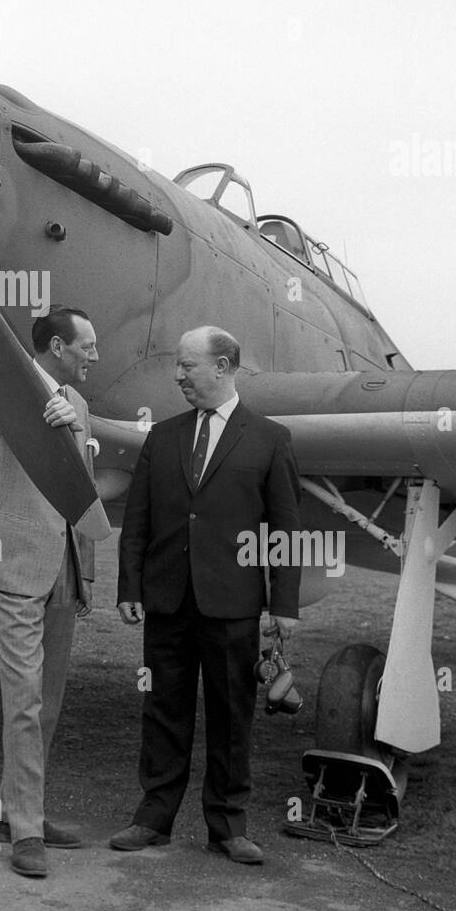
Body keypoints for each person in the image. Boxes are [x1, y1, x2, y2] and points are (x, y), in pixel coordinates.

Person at [110, 326, 301, 864]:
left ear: (223, 367)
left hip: (233, 606)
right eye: (178, 366)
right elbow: (138, 521)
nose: (178, 375)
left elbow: (284, 530)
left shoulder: (270, 439)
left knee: (231, 716)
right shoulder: (163, 437)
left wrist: (282, 605)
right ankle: (153, 818)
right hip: (167, 602)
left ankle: (227, 826)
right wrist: (131, 587)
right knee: (162, 711)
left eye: (188, 366)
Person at [0, 305, 100, 878]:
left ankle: (19, 810)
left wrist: (87, 573)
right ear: (55, 347)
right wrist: (42, 420)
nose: (94, 355)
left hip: (63, 571)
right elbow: (14, 440)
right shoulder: (10, 391)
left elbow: (84, 492)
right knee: (23, 701)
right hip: (16, 568)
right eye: (86, 346)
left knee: (46, 701)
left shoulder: (79, 407)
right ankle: (25, 830)